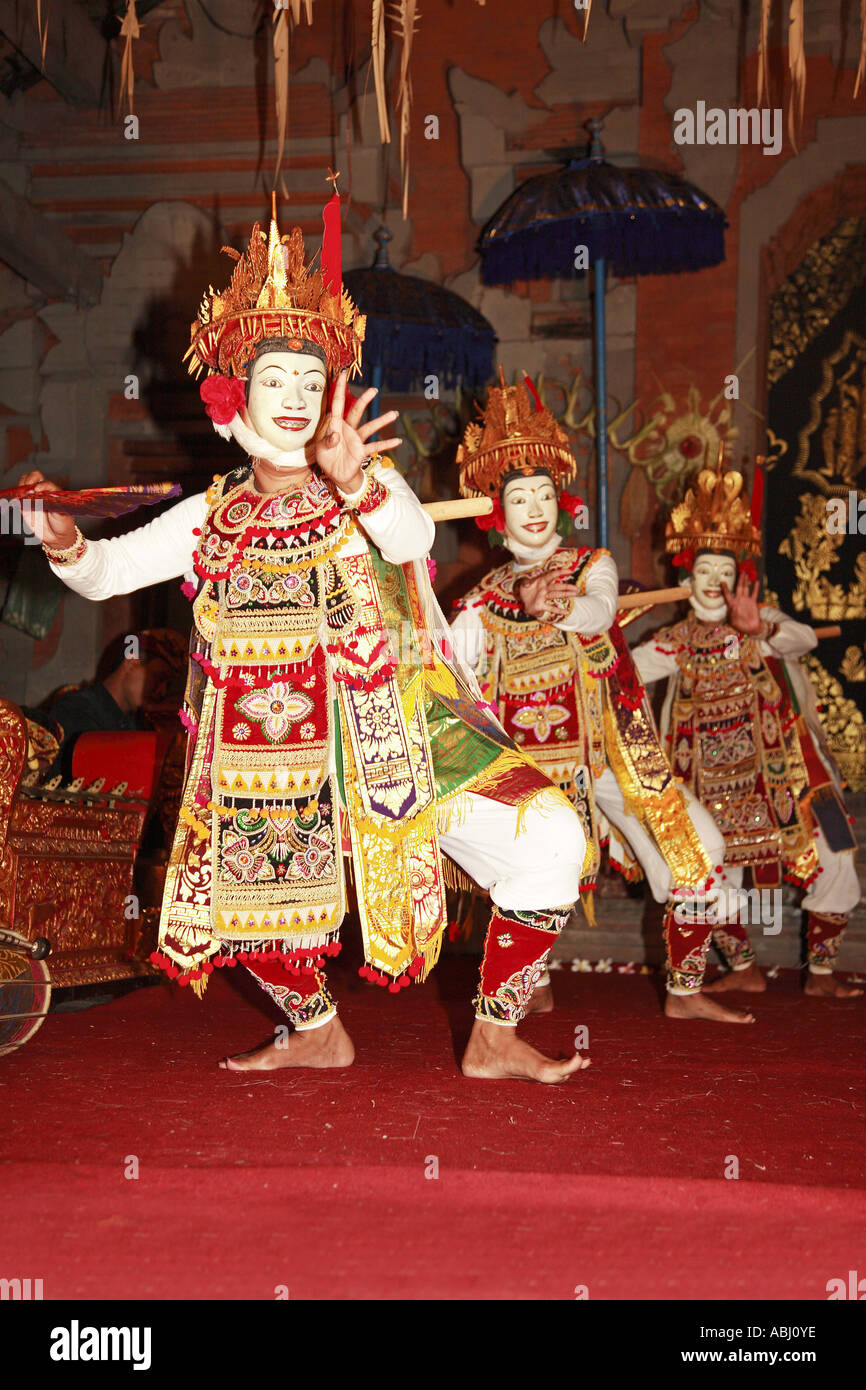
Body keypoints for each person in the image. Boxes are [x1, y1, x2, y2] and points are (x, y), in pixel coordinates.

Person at [20, 196, 591, 1083]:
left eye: (307, 380)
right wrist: (65, 544)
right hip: (277, 756)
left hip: (409, 735)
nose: (293, 397)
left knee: (553, 838)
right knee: (233, 898)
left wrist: (358, 477)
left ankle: (495, 1031)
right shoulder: (209, 516)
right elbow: (108, 572)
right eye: (274, 379)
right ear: (233, 397)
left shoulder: (363, 480)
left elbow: (413, 541)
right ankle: (316, 1026)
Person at [450, 373, 750, 1023]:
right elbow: (454, 669)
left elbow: (599, 611)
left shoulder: (592, 565)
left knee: (698, 848)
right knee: (523, 875)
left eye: (545, 493)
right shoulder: (481, 598)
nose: (535, 507)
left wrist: (556, 605)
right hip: (531, 769)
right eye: (520, 496)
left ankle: (686, 990)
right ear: (497, 512)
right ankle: (530, 982)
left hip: (612, 753)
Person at [630, 460, 861, 1000]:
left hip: (792, 769)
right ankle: (745, 965)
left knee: (837, 853)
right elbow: (624, 670)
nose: (714, 581)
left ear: (741, 579)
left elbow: (802, 642)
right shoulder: (675, 640)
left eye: (724, 571)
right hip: (709, 779)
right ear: (686, 578)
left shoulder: (765, 624)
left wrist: (762, 628)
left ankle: (822, 974)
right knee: (712, 872)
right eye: (704, 570)